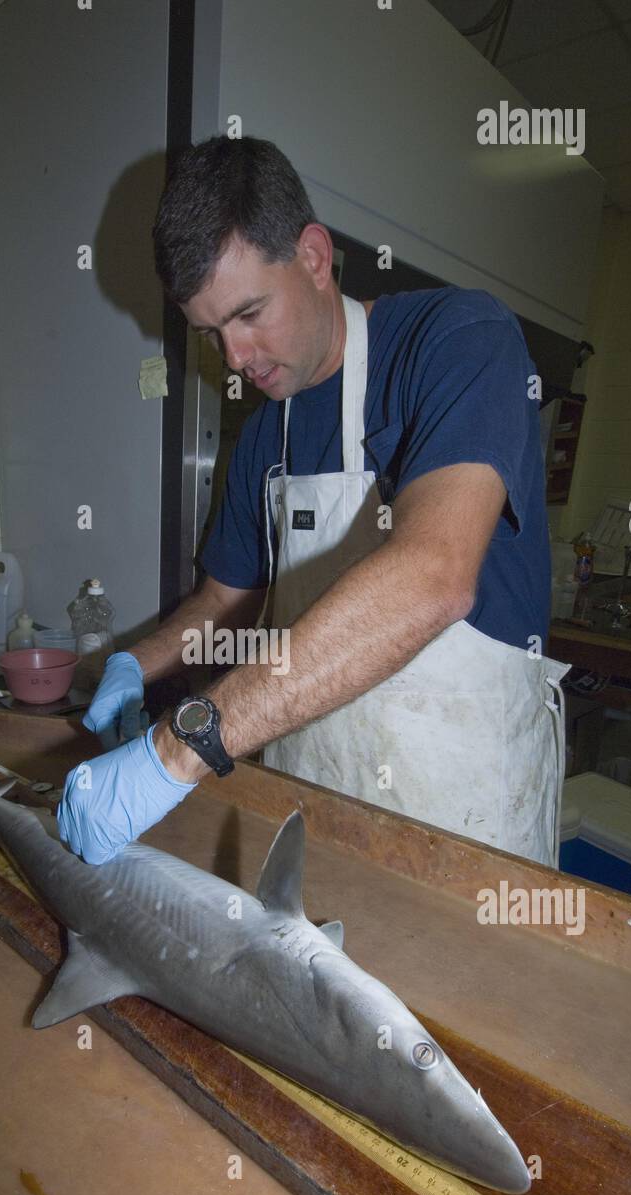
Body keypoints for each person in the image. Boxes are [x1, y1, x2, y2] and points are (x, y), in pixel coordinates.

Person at [57, 136, 569, 869]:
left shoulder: (457, 340)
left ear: (315, 257)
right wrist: (134, 664)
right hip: (318, 807)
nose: (234, 358)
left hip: (466, 823)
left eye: (249, 313)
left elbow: (432, 576)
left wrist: (175, 751)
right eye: (211, 333)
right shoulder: (269, 429)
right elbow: (224, 599)